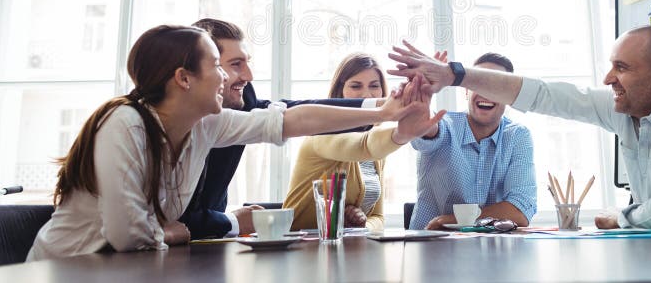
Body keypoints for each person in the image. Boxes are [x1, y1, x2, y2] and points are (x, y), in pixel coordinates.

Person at [28, 24, 430, 260]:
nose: (229, 78)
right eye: (218, 67)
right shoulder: (125, 123)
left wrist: (381, 112)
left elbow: (292, 119)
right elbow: (127, 236)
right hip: (69, 269)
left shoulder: (207, 124)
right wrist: (171, 231)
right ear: (184, 78)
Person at [389, 25, 651, 241]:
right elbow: (547, 95)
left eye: (622, 67)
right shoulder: (623, 108)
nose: (608, 78)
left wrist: (619, 217)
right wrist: (455, 74)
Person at [180, 19, 386, 239]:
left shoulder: (241, 101)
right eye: (236, 64)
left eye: (247, 62)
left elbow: (296, 113)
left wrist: (382, 108)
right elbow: (164, 222)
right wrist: (233, 220)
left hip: (210, 241)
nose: (249, 76)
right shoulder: (159, 126)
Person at [283, 53, 446, 231]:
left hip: (346, 249)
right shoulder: (320, 135)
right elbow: (364, 145)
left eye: (374, 86)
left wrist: (362, 224)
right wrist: (401, 134)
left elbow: (378, 218)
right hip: (301, 248)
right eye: (355, 86)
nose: (366, 94)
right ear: (340, 91)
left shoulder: (378, 154)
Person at [409, 52, 536, 230]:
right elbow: (427, 132)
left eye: (497, 87)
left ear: (509, 98)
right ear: (466, 91)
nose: (486, 93)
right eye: (479, 84)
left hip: (493, 251)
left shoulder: (517, 136)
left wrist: (449, 220)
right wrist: (420, 114)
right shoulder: (445, 126)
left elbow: (520, 210)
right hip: (431, 246)